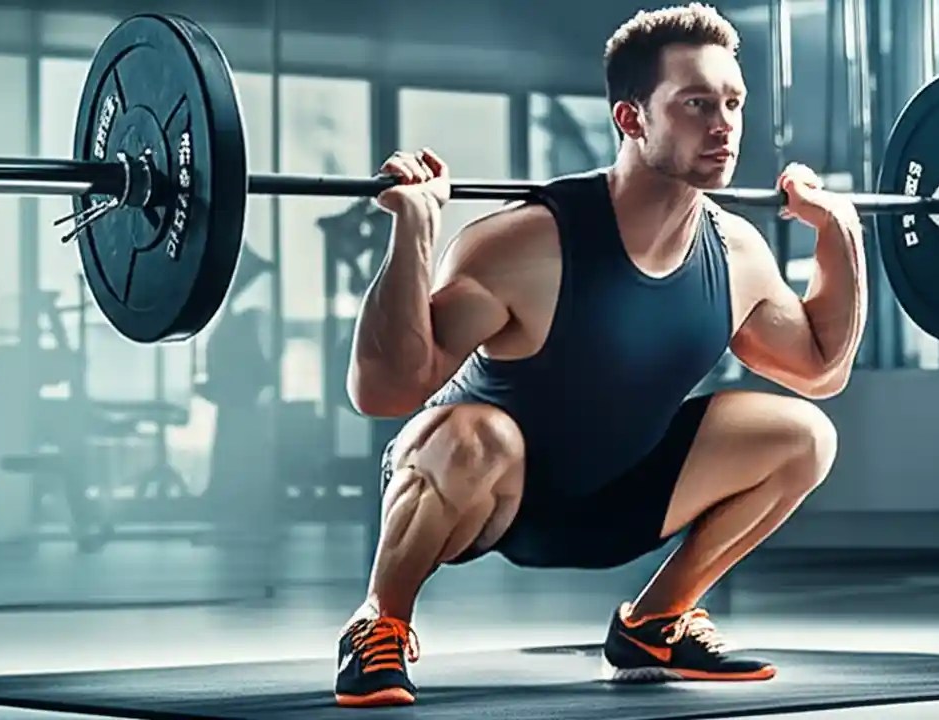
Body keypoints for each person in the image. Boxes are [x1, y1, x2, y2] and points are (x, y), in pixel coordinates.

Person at [336, 2, 866, 708]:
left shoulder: (736, 252)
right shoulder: (527, 244)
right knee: (468, 433)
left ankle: (655, 623)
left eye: (733, 102)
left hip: (623, 496)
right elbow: (386, 391)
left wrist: (842, 233)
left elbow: (821, 370)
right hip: (486, 495)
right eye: (696, 103)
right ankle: (381, 622)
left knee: (804, 436)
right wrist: (415, 234)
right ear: (631, 118)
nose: (723, 124)